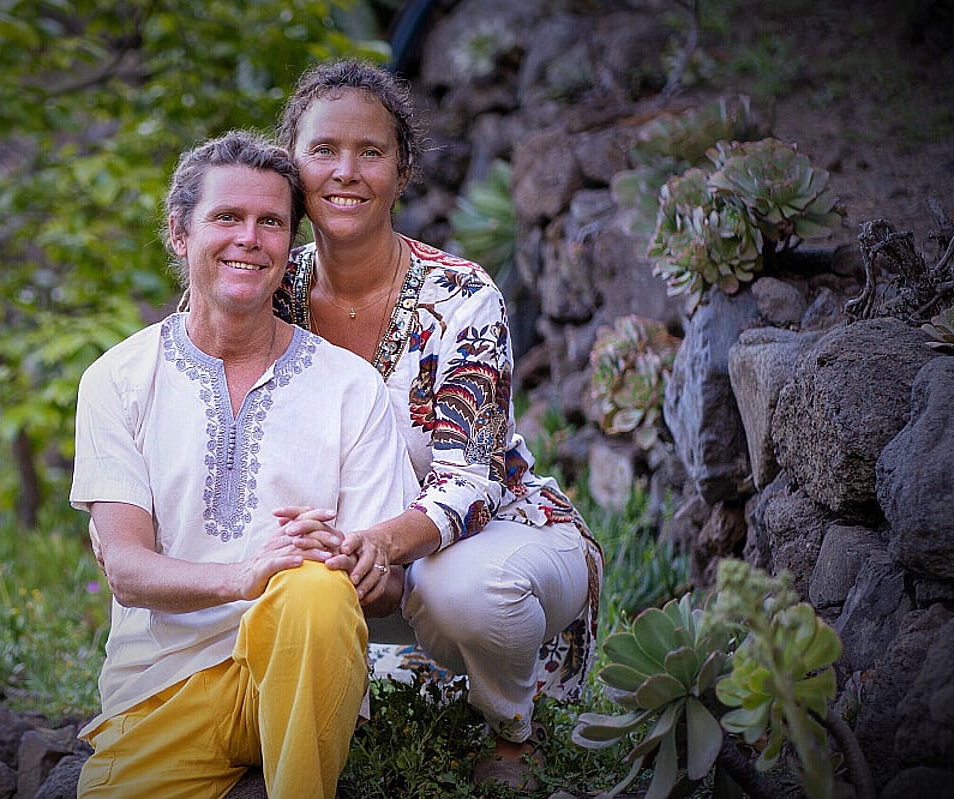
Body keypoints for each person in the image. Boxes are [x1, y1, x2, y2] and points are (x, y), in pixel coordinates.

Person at [272, 59, 605, 790]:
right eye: (323, 150)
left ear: (404, 168)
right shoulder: (268, 292)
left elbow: (470, 484)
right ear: (292, 164)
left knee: (462, 592)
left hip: (495, 536)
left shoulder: (461, 297)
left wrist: (378, 546)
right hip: (351, 559)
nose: (346, 171)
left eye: (371, 152)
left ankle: (512, 731)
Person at [69, 130, 418, 799]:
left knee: (312, 589)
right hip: (163, 686)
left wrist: (358, 565)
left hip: (303, 679)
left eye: (271, 223)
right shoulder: (117, 379)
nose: (249, 239)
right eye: (227, 217)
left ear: (291, 246)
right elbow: (127, 570)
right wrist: (249, 573)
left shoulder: (350, 388)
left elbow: (392, 590)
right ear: (179, 232)